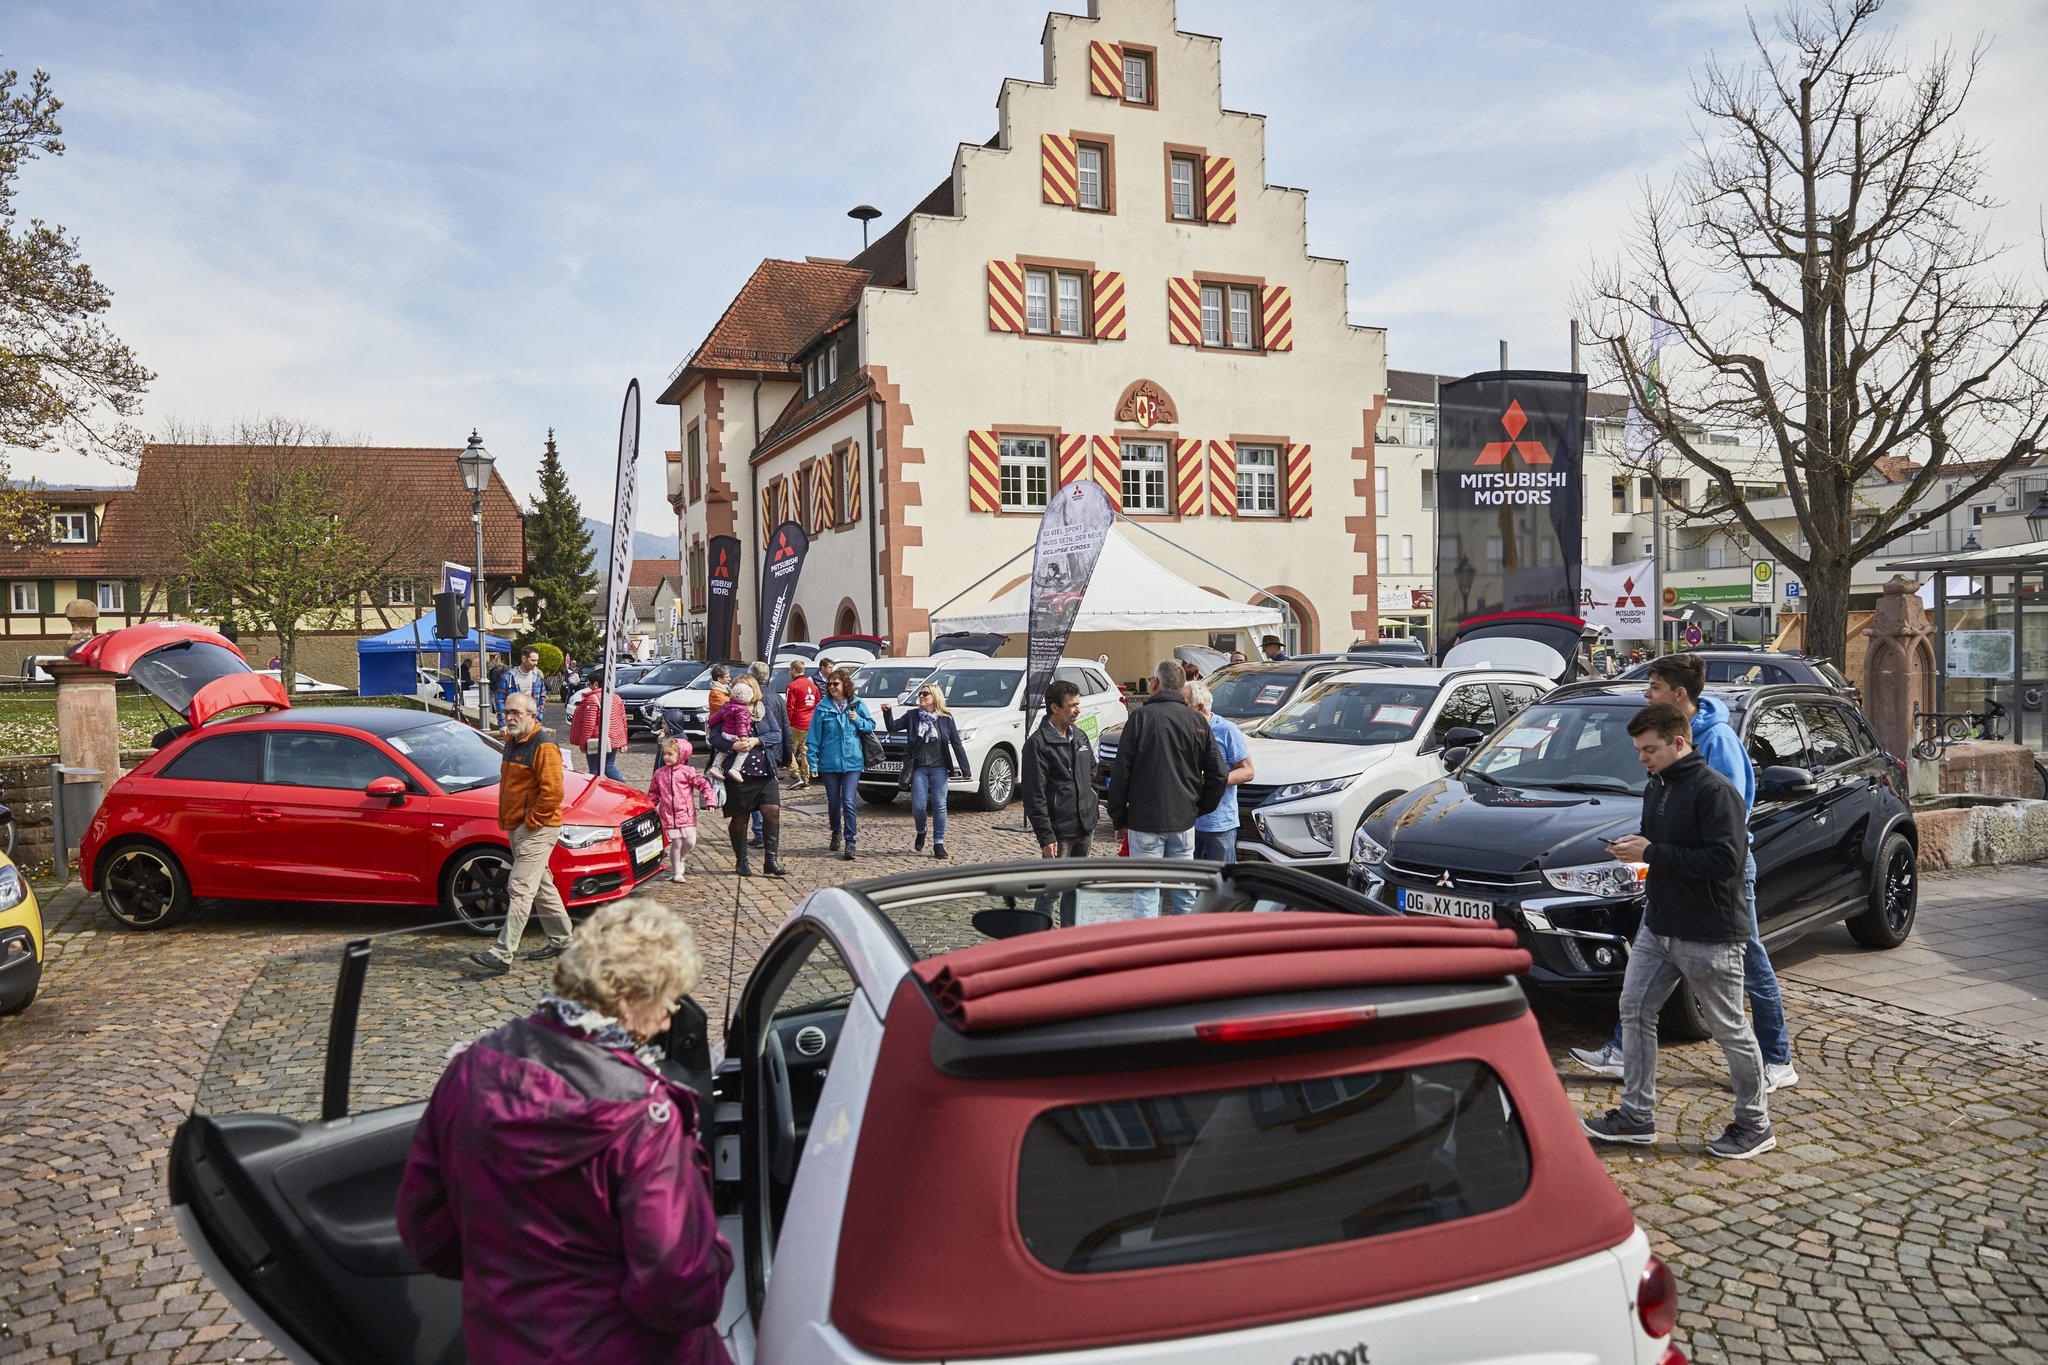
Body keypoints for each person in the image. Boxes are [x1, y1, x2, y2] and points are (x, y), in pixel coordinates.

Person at [397, 897, 733, 1364]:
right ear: (626, 998)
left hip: (503, 1344)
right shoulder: (642, 1115)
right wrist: (716, 1255)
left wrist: (508, 1283)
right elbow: (678, 1285)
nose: (670, 1016)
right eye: (667, 997)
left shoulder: (471, 1069)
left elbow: (427, 1232)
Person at [1570, 653, 1797, 1091]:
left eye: (1653, 686)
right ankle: (1623, 1052)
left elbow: (1727, 827)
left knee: (1748, 960)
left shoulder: (1718, 743)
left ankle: (1777, 1058)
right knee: (1647, 968)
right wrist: (1643, 846)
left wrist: (1655, 850)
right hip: (1670, 872)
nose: (1645, 692)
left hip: (1719, 879)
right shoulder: (1658, 760)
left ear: (1678, 695)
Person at [1582, 703, 1774, 1161]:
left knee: (1729, 1028)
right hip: (1660, 924)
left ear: (1679, 743)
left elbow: (1725, 862)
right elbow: (1659, 846)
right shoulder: (1656, 786)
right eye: (1639, 750)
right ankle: (1636, 1116)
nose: (1642, 758)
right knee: (1634, 1010)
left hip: (1709, 931)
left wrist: (1654, 852)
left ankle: (1755, 1124)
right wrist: (1634, 851)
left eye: (1650, 749)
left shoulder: (1716, 792)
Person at [1105, 660, 1227, 916]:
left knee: (1147, 893)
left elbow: (1120, 774)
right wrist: (1198, 808)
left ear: (1157, 683)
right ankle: (1187, 952)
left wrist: (1119, 818)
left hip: (1146, 821)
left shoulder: (1140, 718)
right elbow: (1218, 775)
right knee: (1185, 893)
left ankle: (1149, 952)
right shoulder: (1196, 720)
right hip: (1182, 820)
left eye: (1151, 680)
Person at [469, 692, 575, 973]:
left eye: (517, 712)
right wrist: (507, 733)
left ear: (533, 715)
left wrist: (531, 820)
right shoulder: (515, 740)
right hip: (519, 825)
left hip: (537, 828)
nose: (511, 717)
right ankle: (563, 939)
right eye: (507, 712)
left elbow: (553, 793)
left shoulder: (544, 746)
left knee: (520, 886)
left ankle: (503, 952)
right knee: (541, 885)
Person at [1021, 679, 1100, 927]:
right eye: (1072, 705)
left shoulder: (1080, 737)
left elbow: (1092, 774)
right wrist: (1046, 836)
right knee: (1051, 891)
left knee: (1076, 888)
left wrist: (1091, 806)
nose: (1078, 709)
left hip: (1084, 826)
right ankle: (1041, 940)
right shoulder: (1038, 744)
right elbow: (1034, 795)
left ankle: (1070, 938)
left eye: (1079, 704)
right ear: (1055, 708)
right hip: (1059, 831)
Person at [707, 677, 784, 877]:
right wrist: (732, 746)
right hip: (737, 774)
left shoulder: (762, 709)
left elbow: (777, 734)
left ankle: (771, 861)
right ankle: (741, 860)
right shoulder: (727, 708)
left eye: (746, 688)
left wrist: (756, 740)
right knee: (740, 818)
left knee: (772, 810)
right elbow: (713, 736)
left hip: (764, 772)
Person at [889, 682, 970, 858]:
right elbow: (893, 727)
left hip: (940, 768)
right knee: (918, 806)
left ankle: (938, 843)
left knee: (940, 806)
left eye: (925, 694)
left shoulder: (946, 718)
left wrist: (965, 768)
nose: (921, 697)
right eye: (920, 694)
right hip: (919, 768)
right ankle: (921, 829)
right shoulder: (912, 716)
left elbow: (956, 744)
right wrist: (886, 712)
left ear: (935, 698)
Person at [807, 670, 876, 861]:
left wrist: (858, 720)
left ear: (845, 684)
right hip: (829, 764)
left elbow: (871, 725)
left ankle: (850, 841)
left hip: (853, 762)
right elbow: (813, 737)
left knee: (849, 802)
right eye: (829, 684)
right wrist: (812, 763)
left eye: (835, 684)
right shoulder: (822, 707)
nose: (832, 687)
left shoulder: (857, 704)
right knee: (834, 803)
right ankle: (836, 831)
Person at [1186, 679, 1254, 862]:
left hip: (1218, 823)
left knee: (1222, 878)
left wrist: (1213, 779)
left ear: (1199, 707)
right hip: (1186, 822)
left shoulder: (1227, 730)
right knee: (1186, 879)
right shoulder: (1183, 730)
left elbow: (1247, 771)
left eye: (1185, 706)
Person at [649, 737, 716, 880]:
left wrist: (710, 800)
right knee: (677, 843)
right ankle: (677, 872)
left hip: (686, 814)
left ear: (681, 755)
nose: (666, 757)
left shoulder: (688, 771)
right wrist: (648, 807)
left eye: (670, 754)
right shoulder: (659, 774)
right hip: (668, 815)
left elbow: (703, 784)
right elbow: (653, 793)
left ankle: (680, 858)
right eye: (665, 754)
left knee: (690, 841)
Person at [746, 662, 791, 847]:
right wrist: (788, 755)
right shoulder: (777, 697)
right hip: (773, 752)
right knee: (768, 796)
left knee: (756, 794)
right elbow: (785, 727)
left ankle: (759, 833)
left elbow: (783, 727)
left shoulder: (750, 698)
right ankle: (763, 832)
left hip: (756, 752)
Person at [570, 685, 630, 783]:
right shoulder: (615, 697)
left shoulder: (592, 699)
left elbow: (589, 724)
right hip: (614, 738)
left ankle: (601, 790)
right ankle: (622, 787)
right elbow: (623, 718)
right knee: (609, 766)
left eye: (589, 683)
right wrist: (623, 740)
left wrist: (583, 744)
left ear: (595, 683)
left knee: (594, 770)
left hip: (596, 740)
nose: (588, 686)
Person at [784, 659, 821, 790]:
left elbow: (789, 706)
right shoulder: (813, 686)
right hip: (810, 723)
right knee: (805, 751)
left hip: (797, 723)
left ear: (794, 670)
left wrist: (787, 723)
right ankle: (806, 778)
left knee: (789, 750)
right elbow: (818, 704)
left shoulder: (792, 686)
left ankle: (796, 776)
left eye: (790, 670)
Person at [497, 646, 548, 723]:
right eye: (533, 660)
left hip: (531, 720)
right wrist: (502, 722)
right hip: (513, 720)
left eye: (537, 661)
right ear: (524, 659)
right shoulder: (509, 677)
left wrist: (538, 717)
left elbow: (542, 698)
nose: (535, 663)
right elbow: (500, 700)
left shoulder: (537, 677)